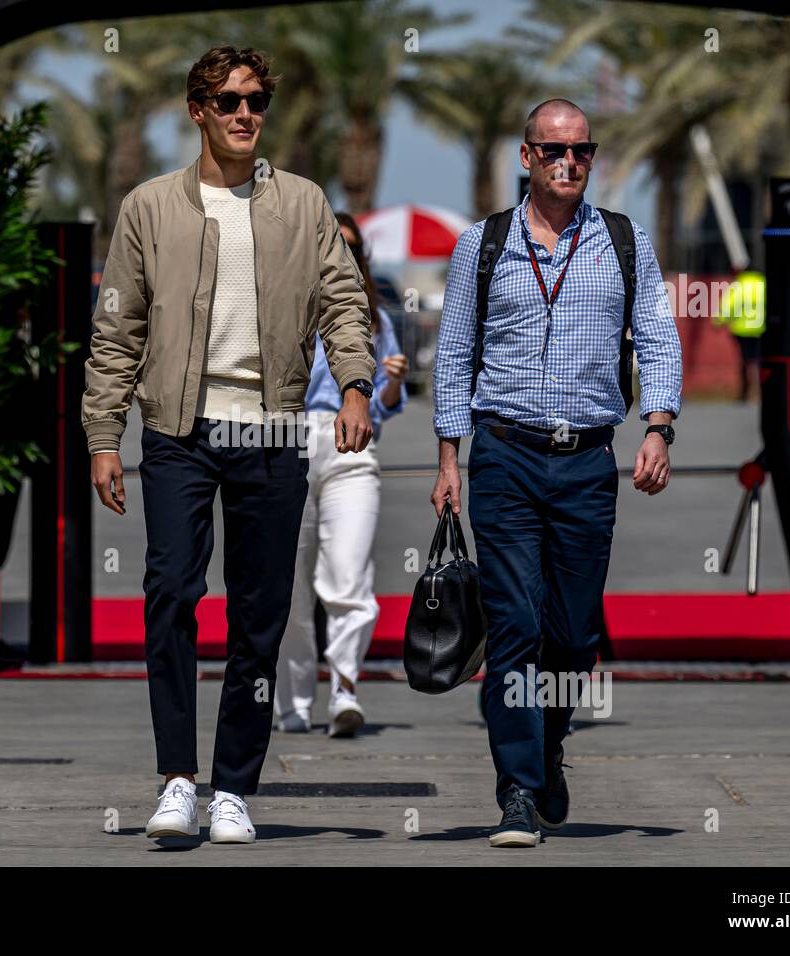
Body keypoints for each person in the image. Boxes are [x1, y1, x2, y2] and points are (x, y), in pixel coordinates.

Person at [82, 46, 377, 844]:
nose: (246, 115)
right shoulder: (149, 208)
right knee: (172, 593)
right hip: (179, 431)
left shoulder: (305, 204)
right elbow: (117, 331)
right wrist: (103, 436)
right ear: (198, 110)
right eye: (230, 101)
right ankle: (178, 778)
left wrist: (354, 385)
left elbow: (345, 301)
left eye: (257, 102)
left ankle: (234, 788)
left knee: (260, 613)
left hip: (274, 428)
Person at [430, 98, 683, 847]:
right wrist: (450, 456)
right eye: (553, 151)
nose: (568, 164)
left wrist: (659, 428)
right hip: (504, 454)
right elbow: (453, 354)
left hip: (587, 464)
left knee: (572, 634)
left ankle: (549, 744)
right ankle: (516, 788)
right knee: (514, 625)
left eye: (582, 151)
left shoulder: (626, 243)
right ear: (526, 157)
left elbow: (659, 341)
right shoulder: (483, 245)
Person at [274, 213, 408, 738]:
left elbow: (387, 408)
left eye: (351, 248)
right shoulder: (286, 306)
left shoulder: (375, 319)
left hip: (353, 445)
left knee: (349, 576)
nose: (342, 256)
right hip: (290, 440)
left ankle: (345, 688)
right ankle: (294, 700)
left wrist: (391, 382)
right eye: (332, 245)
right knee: (290, 587)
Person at [713, 269, 766, 403]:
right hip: (761, 328)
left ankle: (746, 392)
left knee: (745, 360)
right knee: (758, 360)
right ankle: (758, 390)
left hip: (742, 330)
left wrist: (719, 320)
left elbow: (730, 305)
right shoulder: (763, 283)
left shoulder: (740, 285)